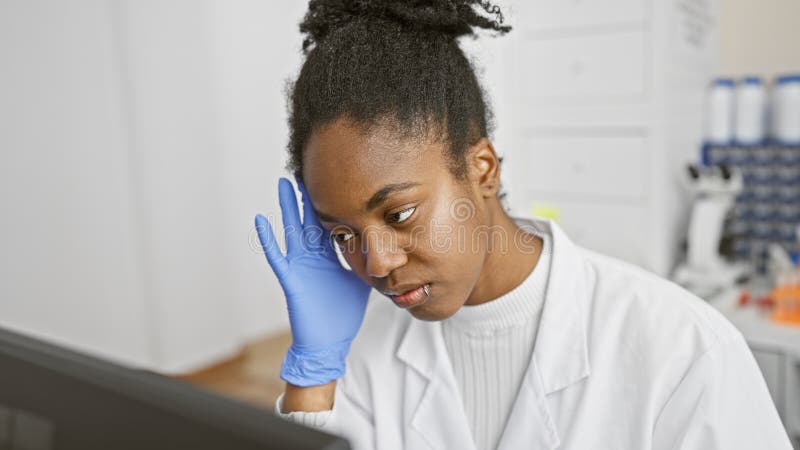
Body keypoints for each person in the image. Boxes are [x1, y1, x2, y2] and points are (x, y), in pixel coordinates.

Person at [253, 1, 792, 449]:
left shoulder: (683, 348)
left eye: (399, 215)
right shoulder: (359, 350)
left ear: (481, 168)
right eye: (342, 234)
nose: (377, 263)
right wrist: (313, 375)